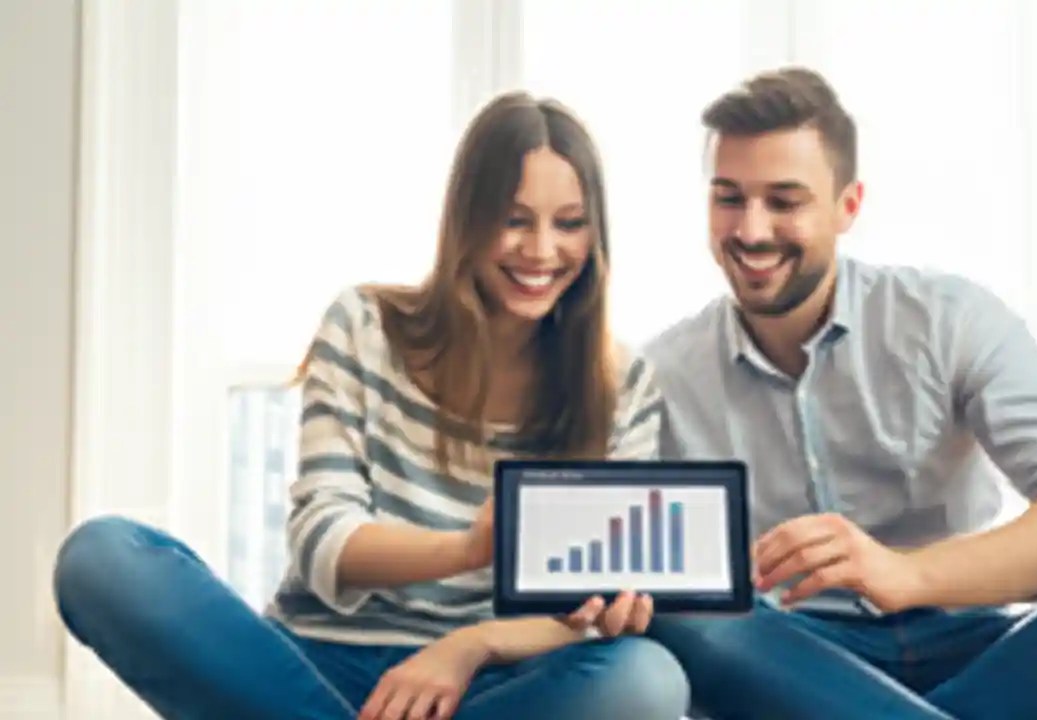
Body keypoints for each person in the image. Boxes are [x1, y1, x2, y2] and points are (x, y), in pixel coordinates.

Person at [52, 92, 689, 720]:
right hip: (316, 660)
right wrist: (469, 549)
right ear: (466, 219)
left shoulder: (623, 383)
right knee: (103, 560)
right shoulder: (364, 326)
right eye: (515, 219)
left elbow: (604, 603)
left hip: (489, 686)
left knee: (647, 681)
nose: (542, 250)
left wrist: (469, 645)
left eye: (569, 223)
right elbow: (323, 540)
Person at [642, 67, 1037, 720]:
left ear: (848, 206)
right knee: (676, 606)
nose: (751, 230)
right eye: (729, 198)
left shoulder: (947, 318)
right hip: (789, 662)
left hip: (975, 645)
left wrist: (906, 574)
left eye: (784, 202)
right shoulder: (660, 376)